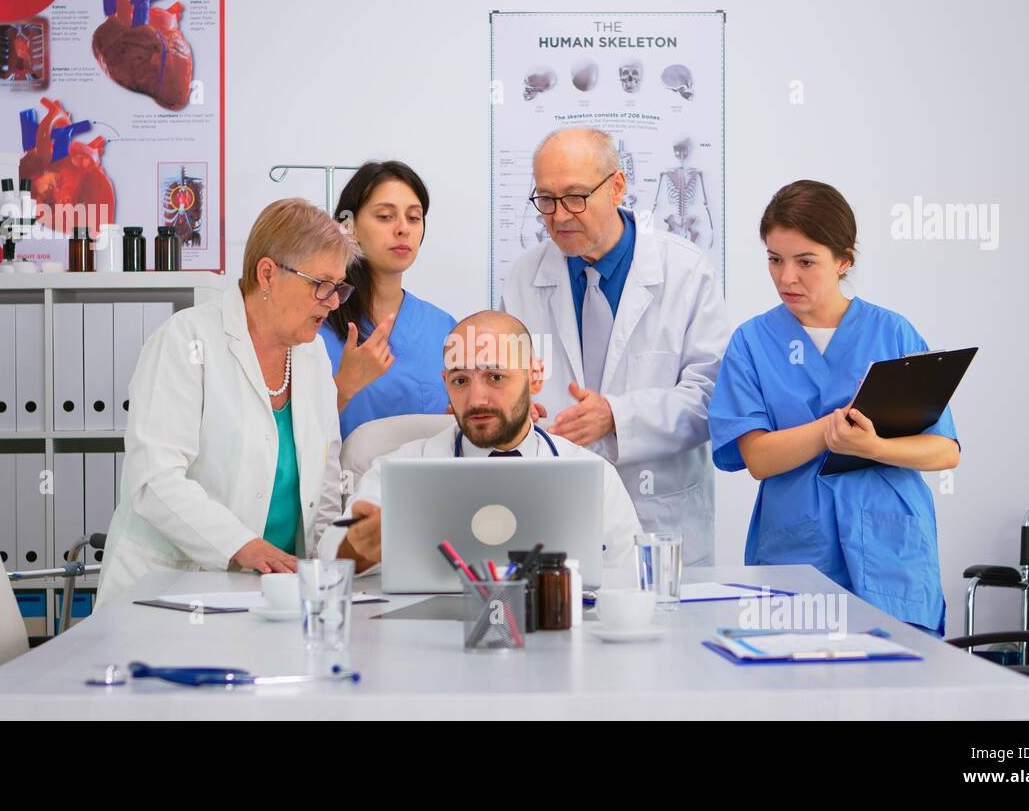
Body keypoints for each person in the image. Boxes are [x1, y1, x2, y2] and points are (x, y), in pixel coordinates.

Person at [707, 180, 961, 634]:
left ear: (844, 259)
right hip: (796, 550)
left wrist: (874, 447)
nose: (787, 277)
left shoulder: (892, 333)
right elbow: (759, 459)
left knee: (896, 697)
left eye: (806, 262)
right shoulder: (751, 342)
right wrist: (829, 429)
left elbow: (944, 450)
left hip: (892, 554)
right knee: (798, 696)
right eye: (775, 259)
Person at [97, 199, 353, 606]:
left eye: (339, 287)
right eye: (321, 284)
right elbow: (155, 479)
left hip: (274, 591)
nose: (334, 301)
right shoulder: (186, 341)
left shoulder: (313, 356)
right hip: (170, 590)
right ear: (267, 274)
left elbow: (322, 486)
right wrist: (243, 545)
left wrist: (329, 566)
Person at [501, 127, 729, 565]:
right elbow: (510, 378)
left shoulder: (687, 272)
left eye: (574, 197)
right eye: (546, 200)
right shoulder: (522, 277)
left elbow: (711, 398)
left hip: (660, 516)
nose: (559, 215)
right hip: (554, 509)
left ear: (617, 187)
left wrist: (617, 416)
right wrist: (515, 407)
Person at [318, 310, 642, 573]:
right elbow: (332, 554)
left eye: (495, 377)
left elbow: (629, 575)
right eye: (460, 380)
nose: (476, 398)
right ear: (445, 383)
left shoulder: (591, 475)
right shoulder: (400, 469)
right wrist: (361, 546)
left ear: (534, 377)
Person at [318, 161, 457, 439]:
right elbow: (283, 437)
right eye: (385, 216)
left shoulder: (445, 329)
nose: (403, 228)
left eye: (414, 217)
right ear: (349, 227)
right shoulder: (315, 326)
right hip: (337, 481)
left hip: (425, 483)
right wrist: (344, 387)